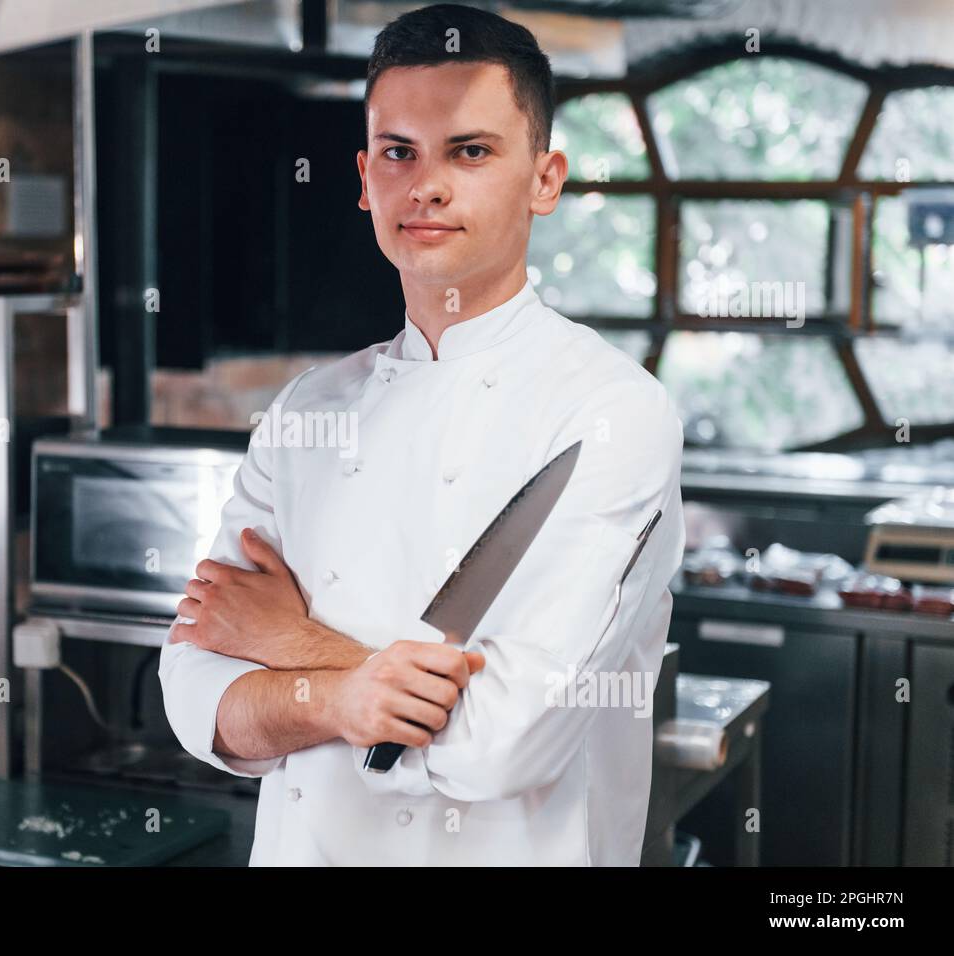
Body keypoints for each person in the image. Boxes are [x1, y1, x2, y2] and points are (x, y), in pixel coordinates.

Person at [158, 2, 685, 865]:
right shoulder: (306, 411)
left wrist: (292, 651)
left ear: (545, 179)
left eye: (470, 151)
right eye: (400, 153)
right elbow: (191, 695)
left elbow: (505, 741)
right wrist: (349, 696)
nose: (426, 185)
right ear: (365, 179)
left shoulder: (610, 412)